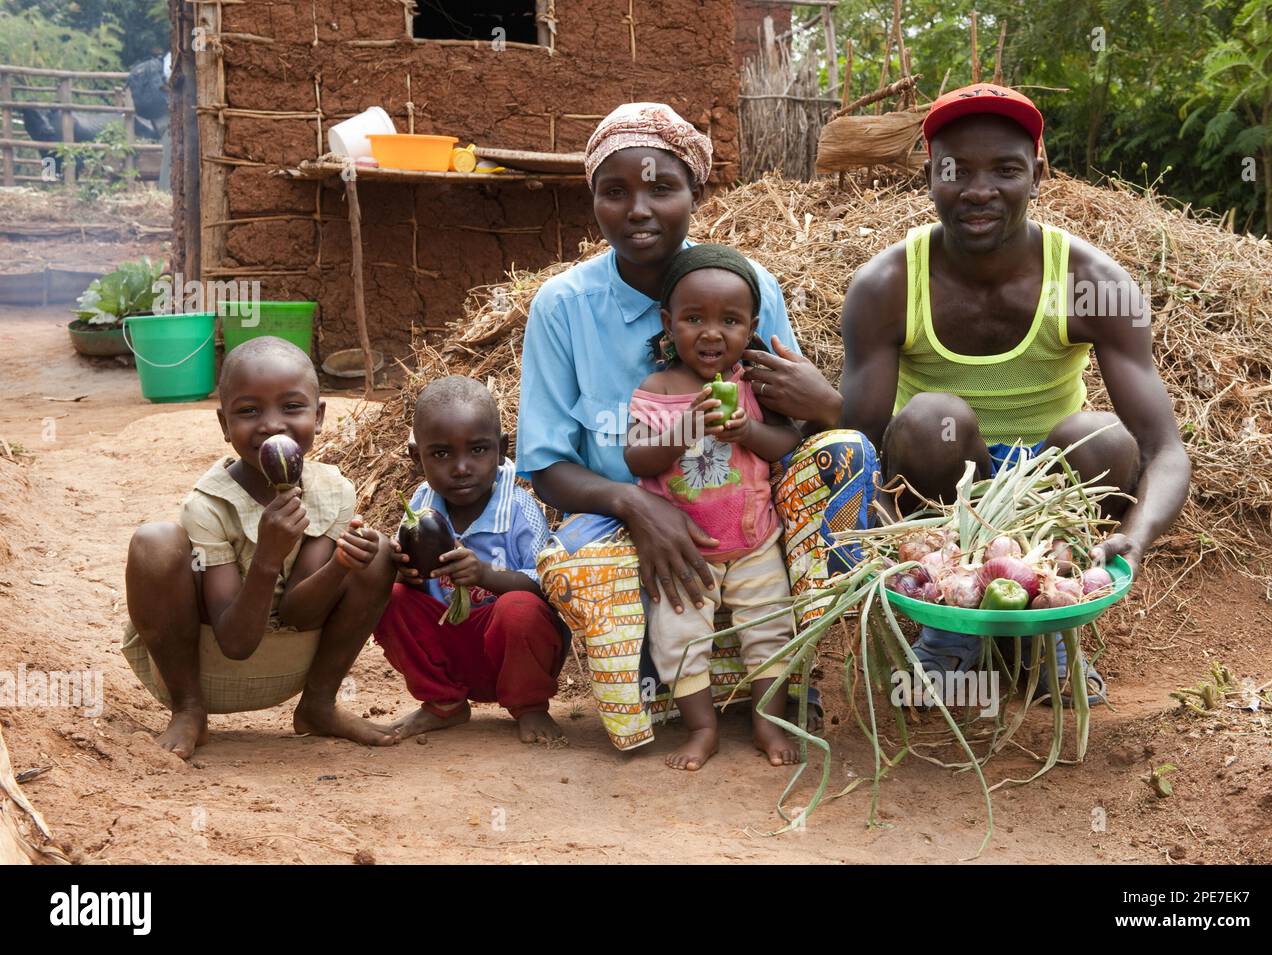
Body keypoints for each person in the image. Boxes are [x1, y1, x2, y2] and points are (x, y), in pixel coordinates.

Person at [517, 102, 869, 751]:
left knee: (849, 454)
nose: (639, 209)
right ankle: (653, 682)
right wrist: (634, 504)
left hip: (741, 505)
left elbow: (789, 423)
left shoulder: (746, 282)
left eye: (661, 186)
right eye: (614, 191)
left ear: (695, 191)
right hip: (622, 510)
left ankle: (804, 663)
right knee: (578, 554)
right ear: (592, 198)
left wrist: (827, 406)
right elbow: (544, 463)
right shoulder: (563, 306)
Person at [840, 84, 1191, 702]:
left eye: (1005, 169)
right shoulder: (887, 285)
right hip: (943, 489)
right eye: (956, 170)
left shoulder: (1092, 281)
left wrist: (1133, 538)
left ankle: (1048, 612)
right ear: (929, 176)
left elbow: (1163, 449)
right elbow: (861, 445)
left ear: (1038, 172)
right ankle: (951, 625)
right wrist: (896, 542)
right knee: (929, 420)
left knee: (1101, 436)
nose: (979, 191)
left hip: (1052, 491)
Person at [122, 337, 398, 757]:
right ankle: (189, 711)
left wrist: (341, 565)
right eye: (249, 411)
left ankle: (318, 706)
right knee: (154, 542)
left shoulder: (332, 491)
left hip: (291, 656)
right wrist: (267, 557)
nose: (271, 425)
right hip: (212, 658)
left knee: (376, 551)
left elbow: (299, 614)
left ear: (319, 416)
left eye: (291, 407)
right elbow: (235, 642)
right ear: (224, 425)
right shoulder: (209, 505)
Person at [625, 244, 802, 770]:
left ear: (750, 330)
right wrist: (682, 431)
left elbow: (785, 443)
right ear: (667, 322)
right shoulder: (657, 390)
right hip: (687, 552)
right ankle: (701, 729)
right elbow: (637, 454)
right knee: (677, 638)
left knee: (771, 629)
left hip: (755, 542)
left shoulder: (754, 386)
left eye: (729, 320)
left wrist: (749, 429)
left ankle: (768, 723)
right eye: (694, 318)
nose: (711, 333)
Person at [375, 377, 568, 744]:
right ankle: (442, 702)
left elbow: (550, 586)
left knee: (519, 608)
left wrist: (485, 574)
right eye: (442, 454)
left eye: (478, 450)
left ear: (501, 449)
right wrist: (403, 571)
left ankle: (530, 706)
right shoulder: (419, 505)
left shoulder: (518, 509)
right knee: (389, 598)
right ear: (417, 458)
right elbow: (412, 582)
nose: (461, 467)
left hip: (513, 652)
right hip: (451, 648)